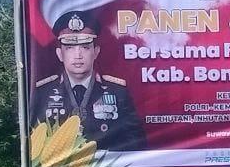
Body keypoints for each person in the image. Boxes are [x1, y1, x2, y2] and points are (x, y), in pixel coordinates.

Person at [29, 9, 145, 151]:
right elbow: (32, 141)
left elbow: (135, 142)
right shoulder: (43, 93)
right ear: (59, 54)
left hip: (106, 165)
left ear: (96, 52)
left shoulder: (117, 91)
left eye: (85, 47)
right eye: (70, 48)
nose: (78, 55)